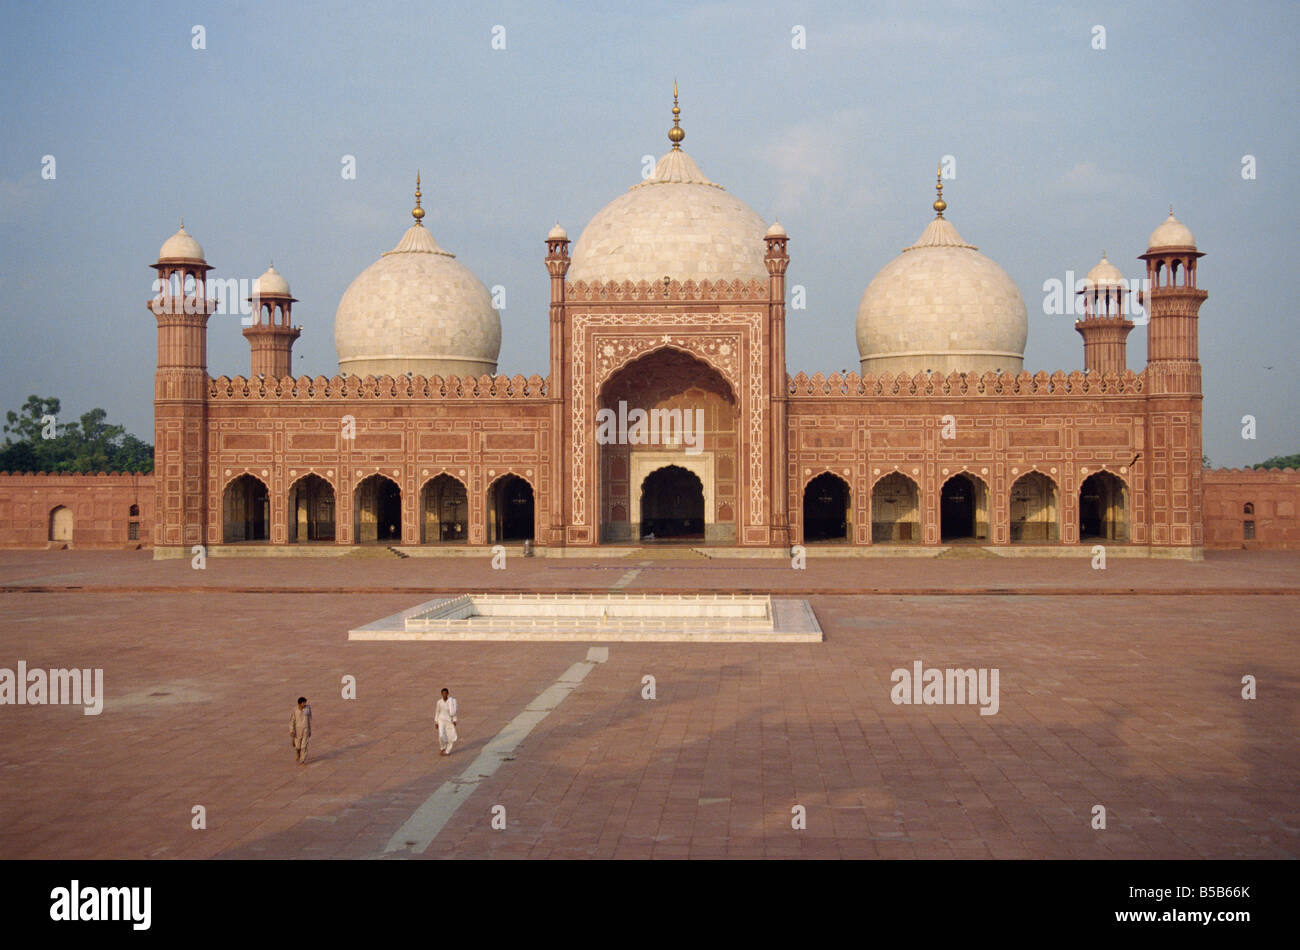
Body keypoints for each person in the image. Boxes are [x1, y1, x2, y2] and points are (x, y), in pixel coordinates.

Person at [435, 688, 458, 756]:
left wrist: (454, 720)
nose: (444, 695)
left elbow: (454, 712)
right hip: (441, 720)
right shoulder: (439, 702)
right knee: (441, 735)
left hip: (449, 720)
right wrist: (436, 722)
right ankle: (443, 747)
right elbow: (437, 712)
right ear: (441, 694)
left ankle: (448, 751)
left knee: (451, 736)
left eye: (445, 693)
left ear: (448, 694)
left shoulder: (451, 702)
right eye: (443, 693)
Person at [290, 696, 312, 765]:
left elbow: (309, 719)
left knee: (304, 746)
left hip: (306, 729)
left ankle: (302, 760)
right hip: (297, 730)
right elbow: (292, 720)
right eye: (303, 703)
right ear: (299, 704)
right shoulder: (295, 710)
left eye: (305, 703)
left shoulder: (307, 709)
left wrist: (310, 730)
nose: (304, 704)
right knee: (298, 746)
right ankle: (298, 753)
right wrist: (291, 730)